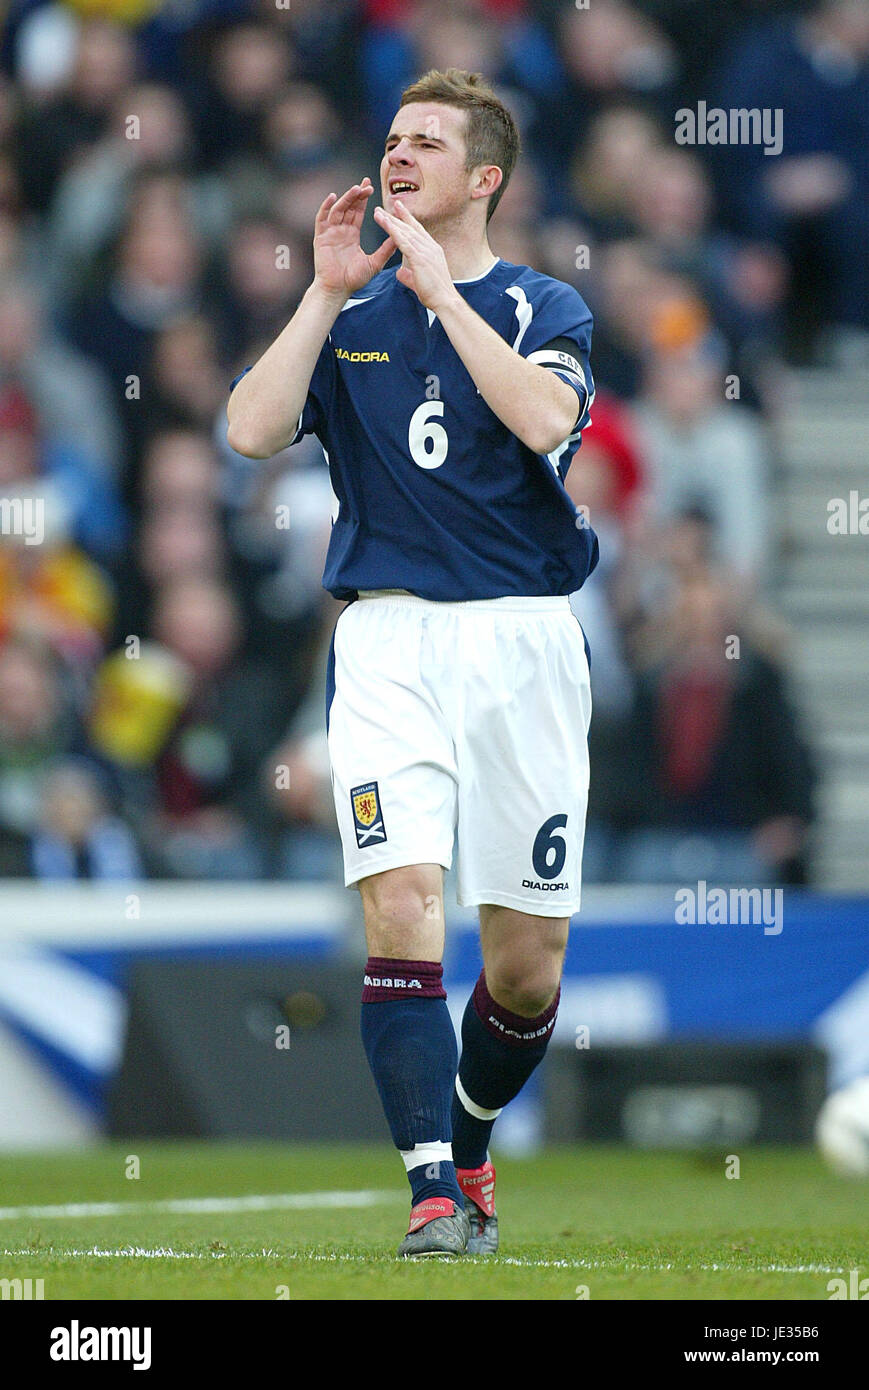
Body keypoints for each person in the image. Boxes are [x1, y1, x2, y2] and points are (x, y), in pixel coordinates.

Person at [227, 68, 596, 1258]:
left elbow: (546, 422)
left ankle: (472, 1135)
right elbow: (247, 429)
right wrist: (322, 295)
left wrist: (445, 296)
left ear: (481, 177)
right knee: (401, 910)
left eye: (426, 143)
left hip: (522, 642)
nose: (397, 156)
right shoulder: (351, 315)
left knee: (526, 965)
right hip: (388, 640)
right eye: (390, 138)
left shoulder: (542, 305)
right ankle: (430, 1188)